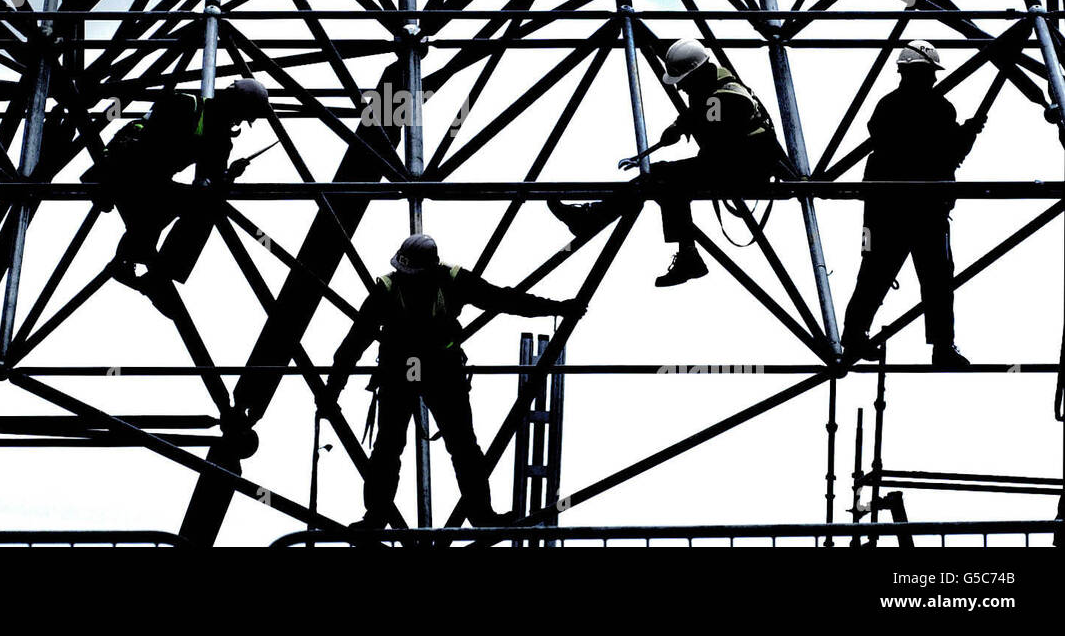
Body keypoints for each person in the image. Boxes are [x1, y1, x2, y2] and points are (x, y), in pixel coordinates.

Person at [325, 234, 585, 530]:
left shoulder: (438, 282)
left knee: (448, 445)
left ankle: (472, 516)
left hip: (423, 367)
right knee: (403, 445)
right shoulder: (397, 287)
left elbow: (504, 299)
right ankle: (383, 517)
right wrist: (332, 390)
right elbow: (352, 345)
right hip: (420, 368)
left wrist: (557, 308)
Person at [549, 39, 789, 286]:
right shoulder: (713, 86)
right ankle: (686, 255)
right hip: (736, 162)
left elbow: (712, 126)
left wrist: (686, 127)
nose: (680, 88)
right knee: (665, 178)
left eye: (683, 82)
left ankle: (593, 217)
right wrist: (678, 126)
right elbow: (701, 114)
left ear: (695, 73)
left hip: (743, 168)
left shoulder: (723, 97)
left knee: (663, 177)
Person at [840, 41, 984, 368]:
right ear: (925, 73)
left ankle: (853, 337)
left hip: (883, 212)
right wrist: (968, 134)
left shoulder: (885, 108)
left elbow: (901, 148)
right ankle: (942, 348)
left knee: (873, 274)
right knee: (937, 280)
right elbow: (948, 156)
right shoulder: (940, 110)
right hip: (925, 213)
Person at [89, 79, 271, 312]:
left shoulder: (219, 139)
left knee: (203, 205)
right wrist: (106, 182)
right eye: (241, 115)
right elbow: (137, 142)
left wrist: (229, 175)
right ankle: (134, 260)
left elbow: (211, 185)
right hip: (125, 172)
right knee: (178, 202)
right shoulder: (185, 105)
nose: (237, 122)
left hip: (150, 184)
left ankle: (144, 267)